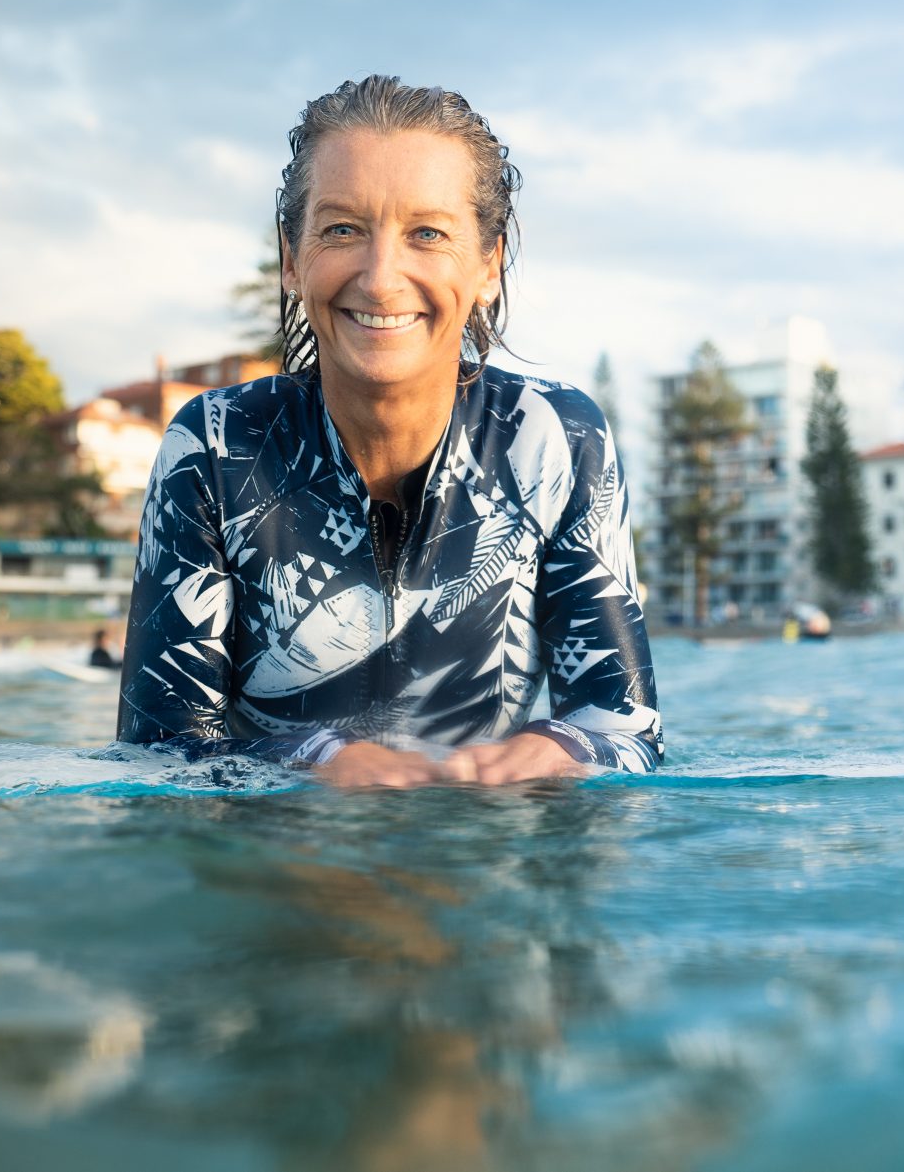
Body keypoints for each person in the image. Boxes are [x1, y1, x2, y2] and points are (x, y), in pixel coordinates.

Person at [116, 76, 661, 788]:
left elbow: (627, 729)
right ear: (292, 258)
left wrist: (566, 748)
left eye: (427, 234)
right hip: (279, 868)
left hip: (475, 862)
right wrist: (313, 763)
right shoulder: (216, 449)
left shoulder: (555, 439)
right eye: (342, 229)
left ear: (488, 264)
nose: (380, 278)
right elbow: (157, 752)